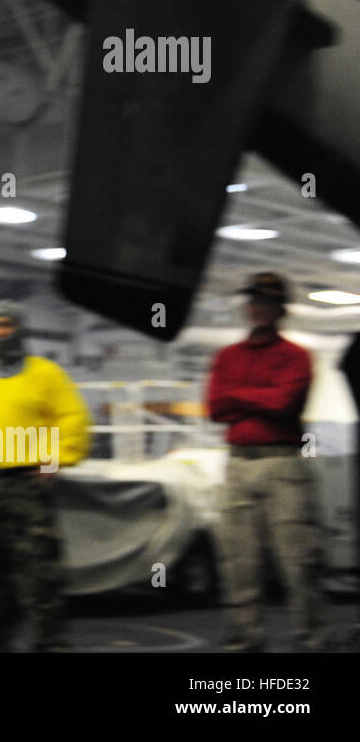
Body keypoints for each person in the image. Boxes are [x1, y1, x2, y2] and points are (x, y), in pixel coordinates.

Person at [0, 300, 91, 652]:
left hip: (25, 487)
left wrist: (56, 460)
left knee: (39, 572)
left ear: (20, 330)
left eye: (5, 326)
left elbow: (73, 420)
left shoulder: (47, 375)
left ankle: (50, 642)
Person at [205, 271, 328, 652]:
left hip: (283, 466)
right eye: (255, 301)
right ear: (248, 307)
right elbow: (215, 408)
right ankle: (246, 638)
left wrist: (239, 396)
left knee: (298, 560)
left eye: (268, 303)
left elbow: (284, 404)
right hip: (238, 464)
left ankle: (313, 639)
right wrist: (259, 395)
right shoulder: (227, 356)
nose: (260, 308)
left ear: (281, 310)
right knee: (237, 559)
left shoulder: (296, 356)